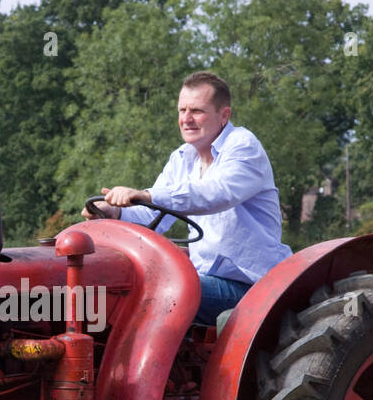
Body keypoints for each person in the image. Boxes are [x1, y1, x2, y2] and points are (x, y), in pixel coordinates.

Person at [81, 71, 292, 326]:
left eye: (197, 111)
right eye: (182, 110)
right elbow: (154, 215)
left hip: (252, 287)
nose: (186, 119)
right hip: (205, 277)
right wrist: (115, 212)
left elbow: (216, 193)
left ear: (224, 115)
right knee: (113, 281)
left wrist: (146, 194)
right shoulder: (183, 157)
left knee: (157, 286)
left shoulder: (243, 146)